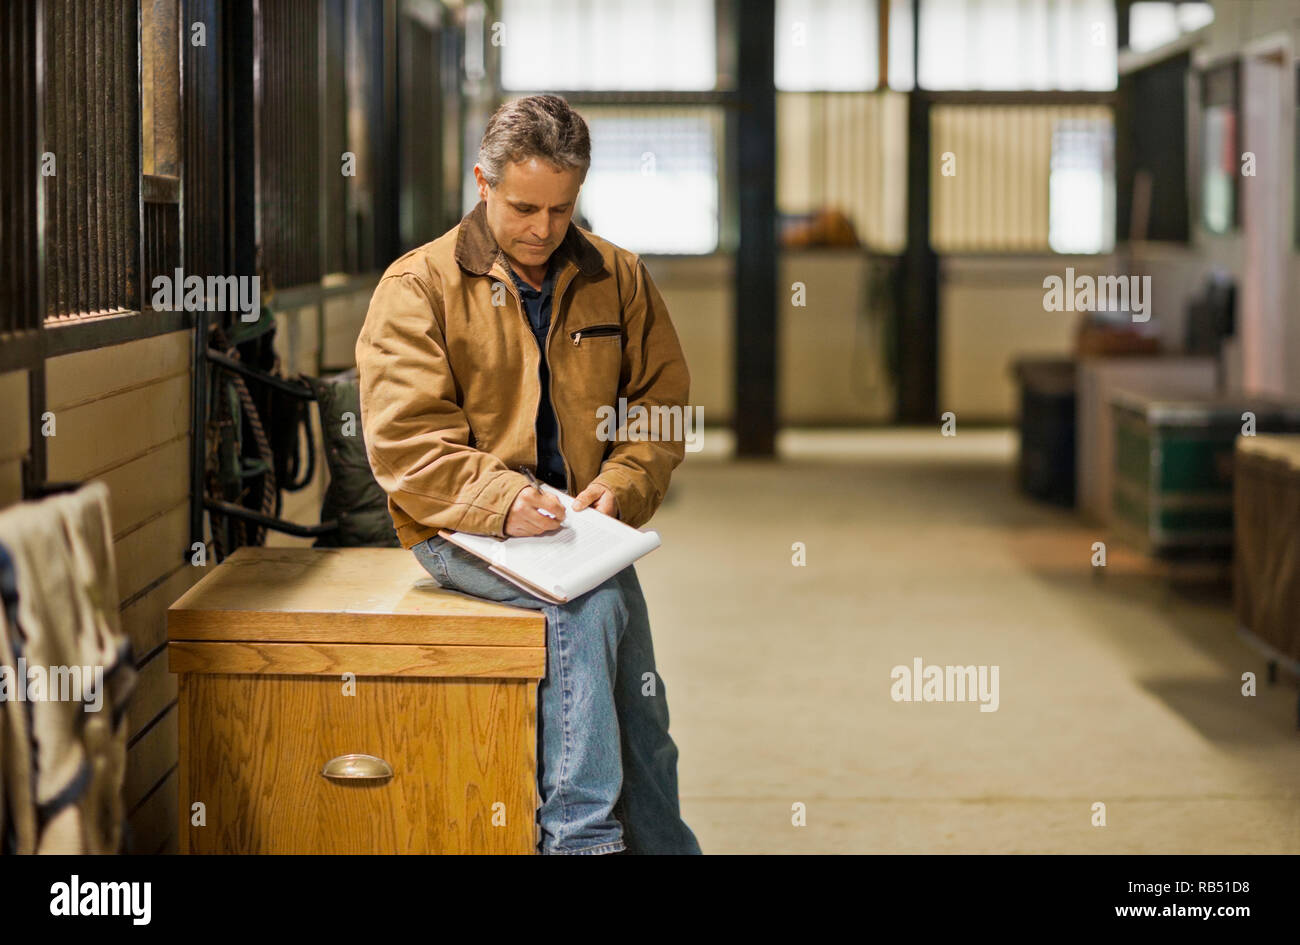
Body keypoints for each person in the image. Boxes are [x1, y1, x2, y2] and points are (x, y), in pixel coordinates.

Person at [355, 94, 701, 855]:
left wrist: (624, 485)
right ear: (482, 181)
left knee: (642, 723)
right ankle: (582, 842)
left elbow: (659, 408)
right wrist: (507, 500)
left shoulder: (620, 276)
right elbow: (406, 445)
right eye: (523, 207)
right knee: (589, 613)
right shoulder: (417, 288)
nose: (543, 229)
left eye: (561, 207)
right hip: (460, 527)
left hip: (585, 529)